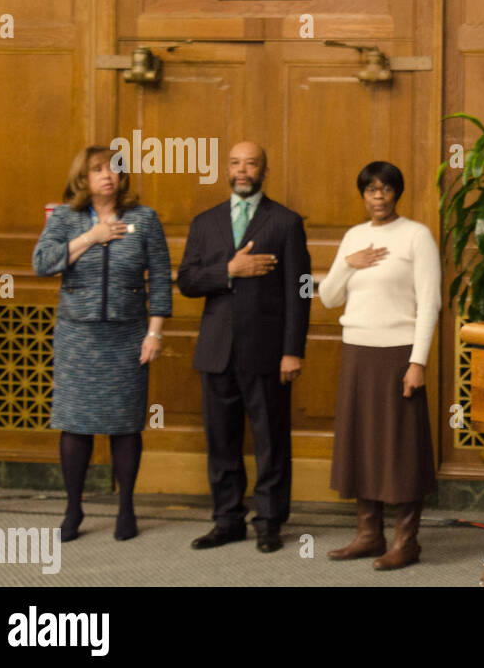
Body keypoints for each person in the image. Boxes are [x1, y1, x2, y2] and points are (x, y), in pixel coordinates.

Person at [32, 144, 172, 542]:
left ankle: (126, 506)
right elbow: (42, 263)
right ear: (84, 178)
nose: (107, 176)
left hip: (128, 335)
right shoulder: (65, 217)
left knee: (126, 425)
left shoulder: (144, 219)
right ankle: (73, 508)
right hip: (78, 336)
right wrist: (91, 237)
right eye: (97, 170)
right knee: (75, 426)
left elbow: (160, 277)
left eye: (114, 169)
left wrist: (155, 332)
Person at [177, 141, 312, 554]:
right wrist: (229, 271)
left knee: (271, 439)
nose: (242, 170)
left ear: (263, 171)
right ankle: (227, 519)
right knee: (221, 439)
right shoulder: (205, 222)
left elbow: (300, 291)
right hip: (216, 351)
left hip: (269, 352)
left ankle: (269, 521)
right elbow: (186, 281)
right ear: (226, 169)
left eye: (250, 163)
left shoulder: (285, 222)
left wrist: (293, 351)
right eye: (235, 163)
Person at [318, 161, 441, 570]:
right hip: (357, 354)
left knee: (400, 447)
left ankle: (406, 542)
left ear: (396, 193)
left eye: (385, 189)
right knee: (361, 443)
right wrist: (348, 263)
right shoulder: (354, 237)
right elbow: (329, 297)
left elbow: (430, 304)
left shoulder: (416, 236)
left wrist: (417, 362)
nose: (378, 196)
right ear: (362, 194)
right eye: (370, 189)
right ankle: (369, 535)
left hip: (398, 356)